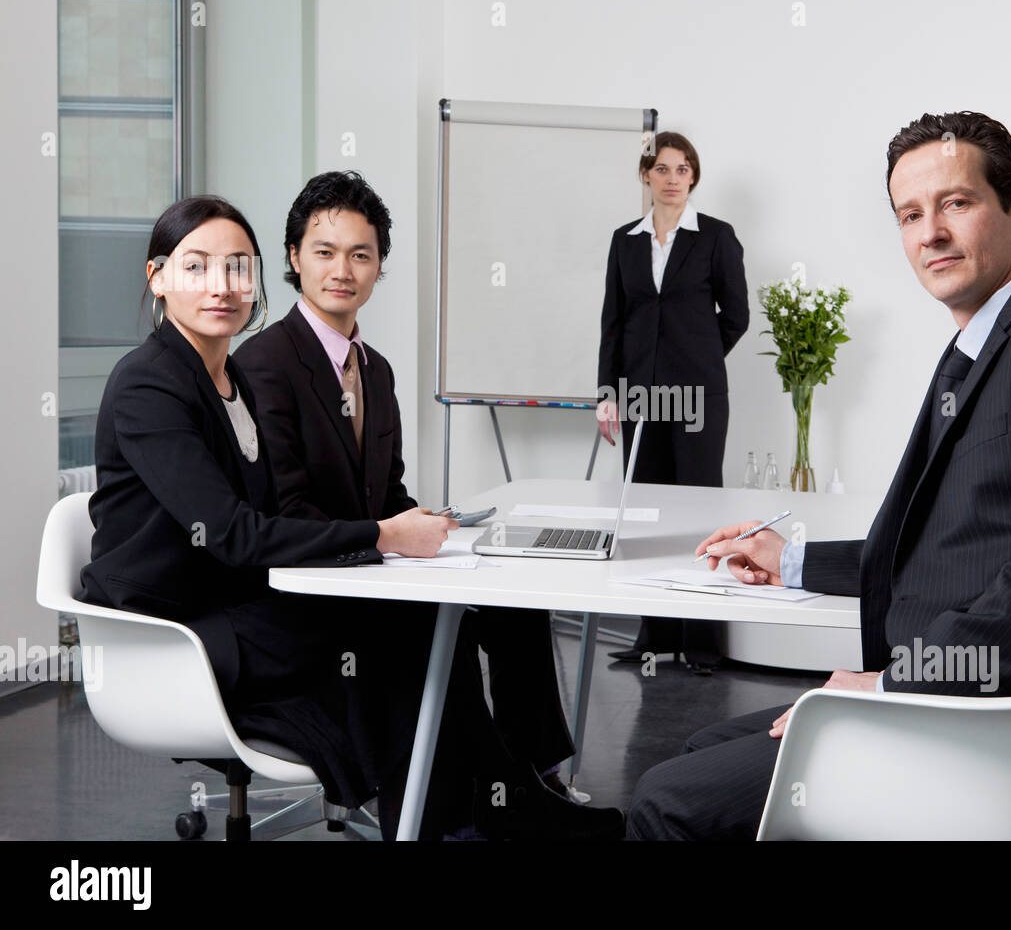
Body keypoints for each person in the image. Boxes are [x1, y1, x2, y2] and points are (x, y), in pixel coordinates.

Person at [627, 111, 1011, 839]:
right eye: (910, 215)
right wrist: (787, 558)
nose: (930, 234)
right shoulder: (991, 343)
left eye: (955, 203)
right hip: (963, 703)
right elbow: (951, 548)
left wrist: (889, 687)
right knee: (704, 750)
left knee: (669, 801)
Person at [79, 195, 623, 840]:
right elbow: (231, 531)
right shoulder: (152, 381)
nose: (221, 286)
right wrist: (382, 537)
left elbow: (281, 512)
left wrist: (414, 530)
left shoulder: (230, 380)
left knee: (423, 630)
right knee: (408, 638)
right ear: (158, 277)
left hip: (240, 596)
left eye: (235, 267)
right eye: (196, 267)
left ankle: (484, 806)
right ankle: (461, 817)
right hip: (179, 628)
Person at [235, 170, 580, 797]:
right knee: (435, 632)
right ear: (293, 257)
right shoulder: (263, 364)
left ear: (378, 266)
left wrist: (436, 529)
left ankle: (537, 776)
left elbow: (386, 492)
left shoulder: (378, 371)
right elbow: (289, 511)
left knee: (515, 600)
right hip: (311, 586)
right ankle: (472, 804)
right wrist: (392, 538)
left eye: (360, 255)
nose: (343, 269)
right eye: (325, 251)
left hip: (371, 564)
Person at [597, 131, 750, 673]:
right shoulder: (625, 240)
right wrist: (607, 392)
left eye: (683, 169)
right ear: (646, 175)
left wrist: (699, 359)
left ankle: (703, 642)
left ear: (694, 177)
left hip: (698, 395)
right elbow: (613, 322)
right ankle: (654, 638)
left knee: (701, 510)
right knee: (647, 514)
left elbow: (736, 316)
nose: (672, 178)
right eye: (662, 168)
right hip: (639, 394)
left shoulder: (716, 237)